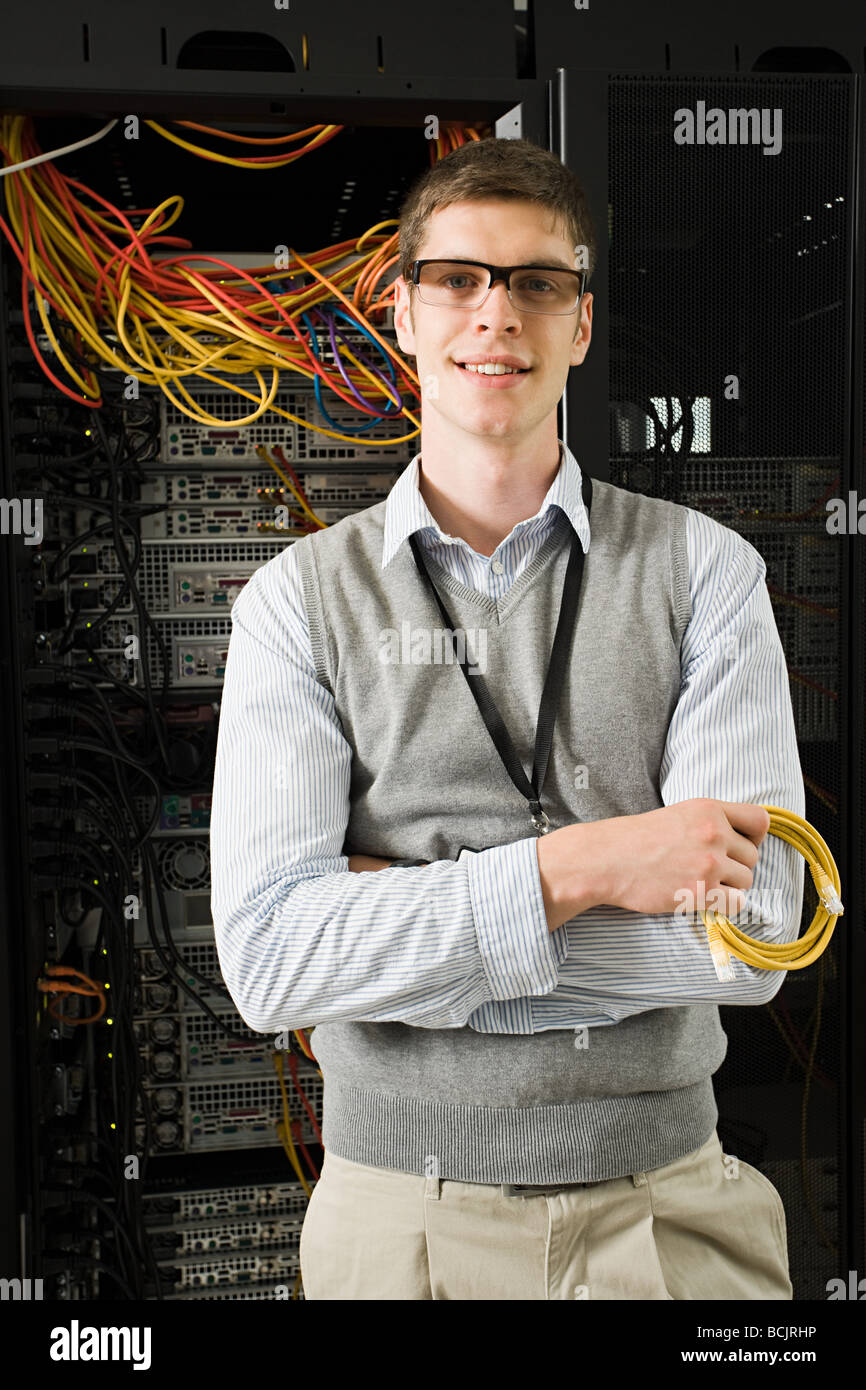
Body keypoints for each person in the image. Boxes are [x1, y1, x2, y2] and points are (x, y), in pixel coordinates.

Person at [209, 137, 805, 1300]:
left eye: (538, 281)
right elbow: (274, 964)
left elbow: (759, 934)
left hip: (668, 1214)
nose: (497, 314)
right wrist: (592, 864)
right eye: (458, 279)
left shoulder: (704, 572)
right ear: (402, 311)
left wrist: (395, 915)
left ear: (578, 324)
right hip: (395, 1227)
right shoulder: (296, 603)